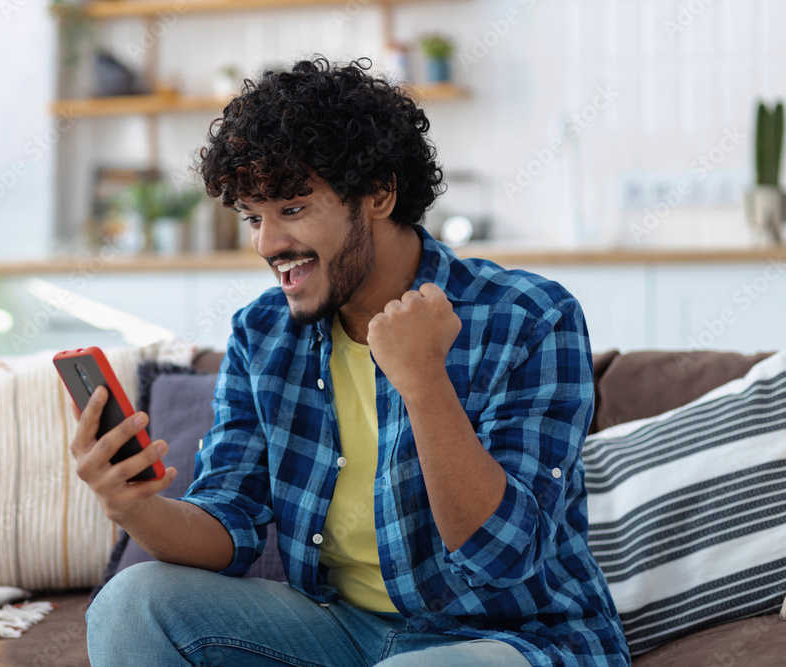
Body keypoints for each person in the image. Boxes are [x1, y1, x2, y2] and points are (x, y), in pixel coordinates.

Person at [75, 57, 631, 666]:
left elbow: (501, 553)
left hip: (508, 637)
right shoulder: (262, 333)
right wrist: (134, 507)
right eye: (254, 217)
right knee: (132, 603)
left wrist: (424, 381)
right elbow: (230, 522)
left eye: (292, 209)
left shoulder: (529, 317)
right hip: (341, 630)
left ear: (379, 194)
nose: (267, 244)